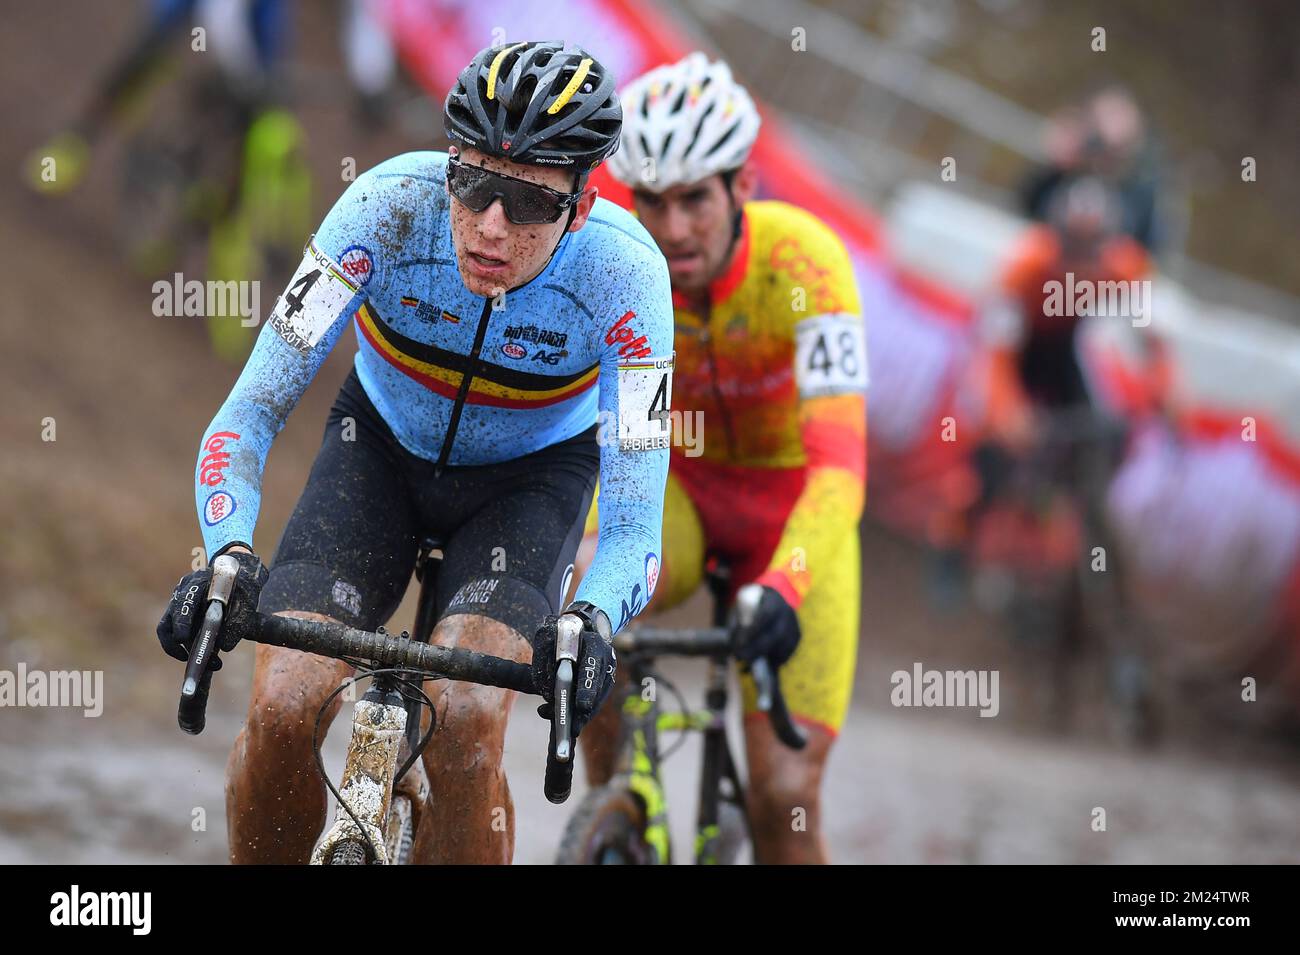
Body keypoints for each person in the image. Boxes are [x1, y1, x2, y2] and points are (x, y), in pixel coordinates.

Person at [155, 41, 675, 864]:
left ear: (580, 202)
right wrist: (226, 553)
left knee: (466, 718)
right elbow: (248, 414)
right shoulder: (379, 208)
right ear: (446, 166)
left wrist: (592, 615)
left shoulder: (628, 276)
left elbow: (638, 520)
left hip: (530, 483)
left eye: (528, 202)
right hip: (379, 451)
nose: (491, 225)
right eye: (471, 183)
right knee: (285, 700)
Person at [573, 53, 868, 864]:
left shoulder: (807, 265)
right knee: (581, 599)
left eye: (696, 199)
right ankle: (619, 810)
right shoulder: (627, 268)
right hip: (680, 493)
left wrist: (786, 583)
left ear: (742, 186)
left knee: (785, 797)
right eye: (654, 202)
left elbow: (841, 467)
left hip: (792, 516)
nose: (673, 230)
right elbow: (617, 434)